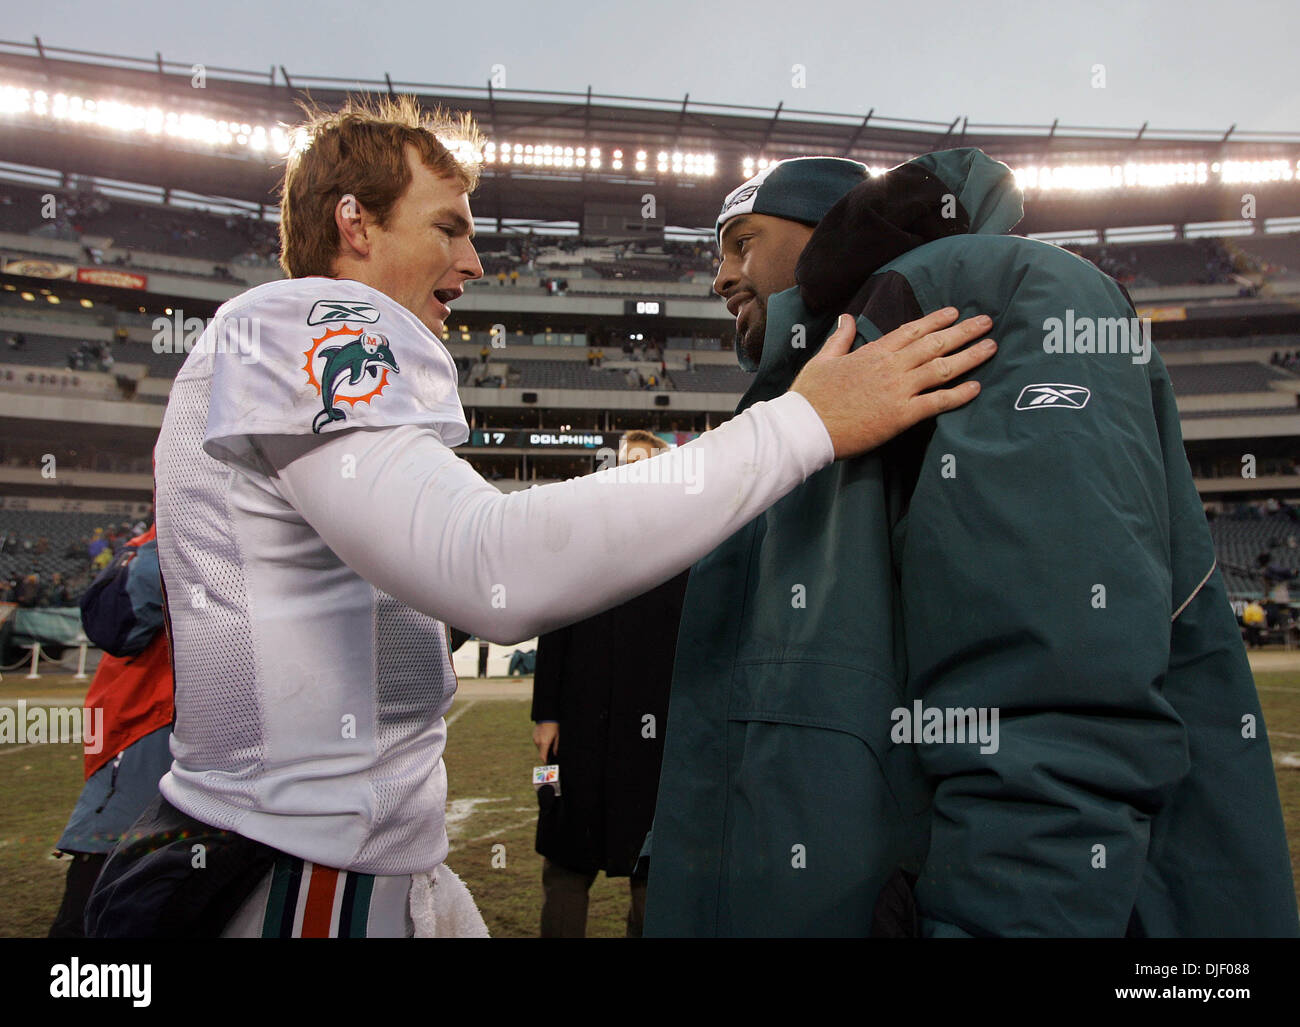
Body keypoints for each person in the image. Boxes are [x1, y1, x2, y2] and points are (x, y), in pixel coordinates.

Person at [84, 99, 992, 939]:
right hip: (306, 870)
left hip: (350, 849)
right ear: (353, 224)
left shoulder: (288, 351)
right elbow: (492, 566)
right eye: (447, 227)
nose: (474, 263)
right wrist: (804, 422)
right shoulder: (305, 320)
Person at [644, 150, 1298, 937]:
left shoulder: (1001, 292)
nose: (720, 277)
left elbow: (1053, 715)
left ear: (818, 229)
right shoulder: (811, 393)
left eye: (741, 242)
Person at [530, 431, 686, 938]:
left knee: (650, 867)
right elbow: (554, 630)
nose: (628, 467)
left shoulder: (684, 546)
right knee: (564, 859)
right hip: (575, 728)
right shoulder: (579, 539)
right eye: (623, 460)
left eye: (641, 461)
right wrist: (545, 714)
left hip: (653, 734)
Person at [48, 526, 173, 937]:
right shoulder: (160, 537)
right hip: (145, 723)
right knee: (110, 860)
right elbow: (116, 626)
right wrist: (179, 532)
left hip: (215, 730)